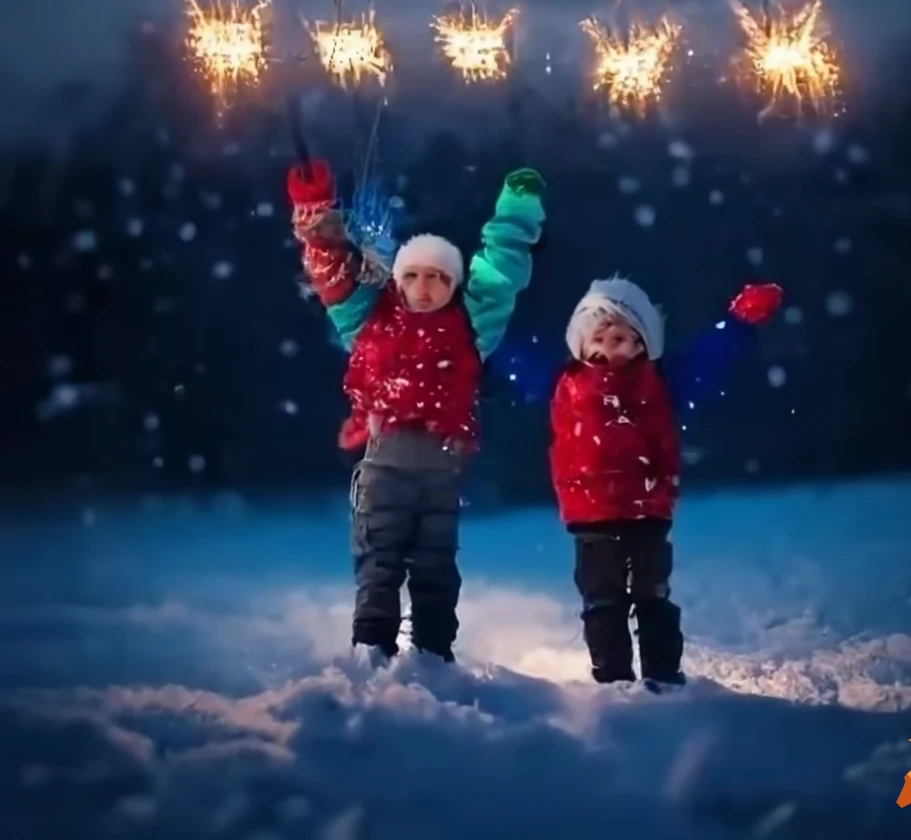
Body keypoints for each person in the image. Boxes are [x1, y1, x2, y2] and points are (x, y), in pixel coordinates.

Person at [287, 159, 546, 663]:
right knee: (378, 562)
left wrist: (515, 215)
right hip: (383, 466)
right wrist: (314, 209)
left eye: (437, 278)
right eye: (413, 276)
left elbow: (499, 275)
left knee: (435, 567)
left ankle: (433, 655)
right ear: (398, 281)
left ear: (453, 285)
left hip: (440, 472)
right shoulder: (367, 321)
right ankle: (372, 652)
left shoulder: (470, 329)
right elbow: (332, 273)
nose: (424, 287)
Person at [550, 276, 782, 687]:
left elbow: (708, 358)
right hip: (591, 515)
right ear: (580, 344)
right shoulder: (567, 381)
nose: (608, 349)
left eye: (619, 339)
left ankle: (662, 677)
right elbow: (513, 358)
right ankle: (614, 680)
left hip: (647, 510)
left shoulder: (659, 379)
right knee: (602, 601)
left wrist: (739, 322)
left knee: (652, 596)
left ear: (642, 343)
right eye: (598, 339)